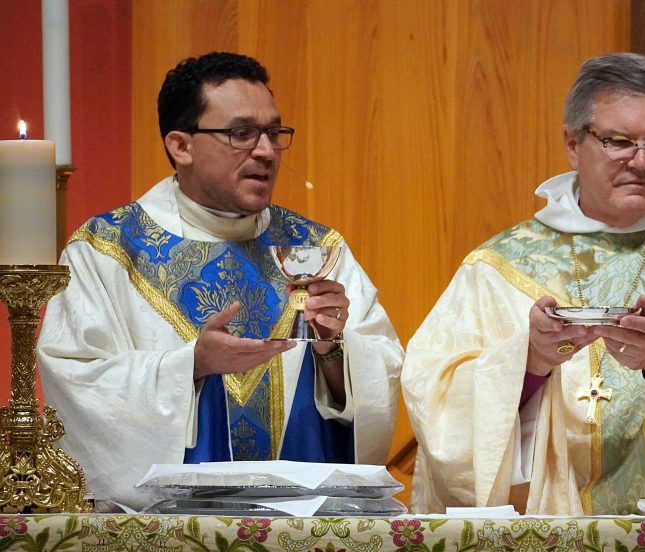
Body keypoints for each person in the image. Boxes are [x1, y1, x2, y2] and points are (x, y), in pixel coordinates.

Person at [401, 52, 645, 515]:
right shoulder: (497, 266)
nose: (641, 161)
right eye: (618, 141)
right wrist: (529, 363)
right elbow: (437, 398)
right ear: (573, 143)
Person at [36, 52, 403, 510]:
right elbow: (77, 381)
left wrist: (334, 353)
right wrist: (189, 366)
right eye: (241, 133)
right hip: (172, 533)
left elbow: (380, 375)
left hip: (304, 529)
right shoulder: (107, 250)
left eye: (273, 132)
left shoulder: (315, 250)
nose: (266, 151)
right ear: (180, 145)